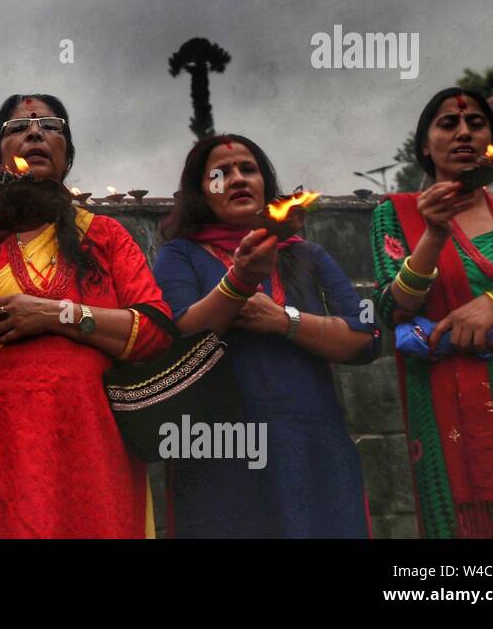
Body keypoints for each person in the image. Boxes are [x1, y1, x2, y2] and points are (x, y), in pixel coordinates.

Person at [0, 94, 172, 538]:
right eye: (16, 128)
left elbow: (154, 332)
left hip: (91, 444)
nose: (34, 132)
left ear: (67, 154)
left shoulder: (104, 235)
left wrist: (60, 315)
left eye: (50, 125)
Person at [153, 134, 376, 538]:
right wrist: (239, 282)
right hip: (219, 449)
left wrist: (284, 321)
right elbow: (178, 339)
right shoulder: (180, 254)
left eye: (248, 169)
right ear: (201, 192)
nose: (237, 178)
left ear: (264, 184)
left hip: (311, 441)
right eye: (219, 174)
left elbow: (365, 338)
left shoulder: (306, 254)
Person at [370, 87, 493, 538]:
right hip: (449, 409)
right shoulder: (396, 215)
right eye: (448, 124)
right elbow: (394, 310)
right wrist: (434, 234)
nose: (464, 132)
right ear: (425, 145)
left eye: (477, 124)